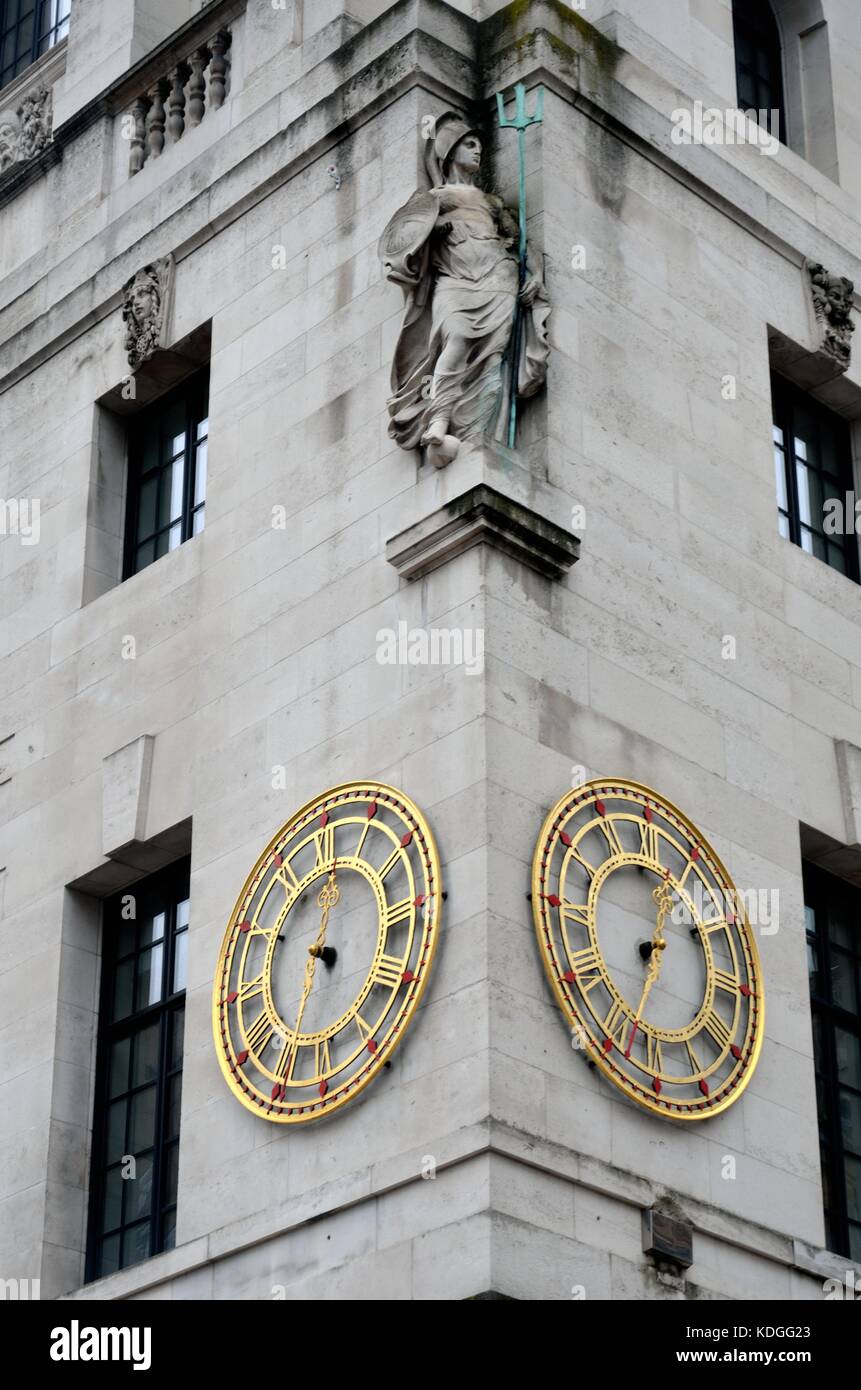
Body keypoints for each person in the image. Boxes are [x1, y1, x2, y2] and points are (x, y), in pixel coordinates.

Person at [379, 112, 550, 467]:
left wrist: (534, 273)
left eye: (479, 146)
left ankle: (479, 433)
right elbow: (406, 243)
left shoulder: (491, 203)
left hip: (498, 279)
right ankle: (439, 420)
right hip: (455, 281)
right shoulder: (433, 199)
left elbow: (518, 242)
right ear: (449, 151)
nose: (477, 152)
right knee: (454, 341)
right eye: (469, 145)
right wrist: (434, 231)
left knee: (492, 357)